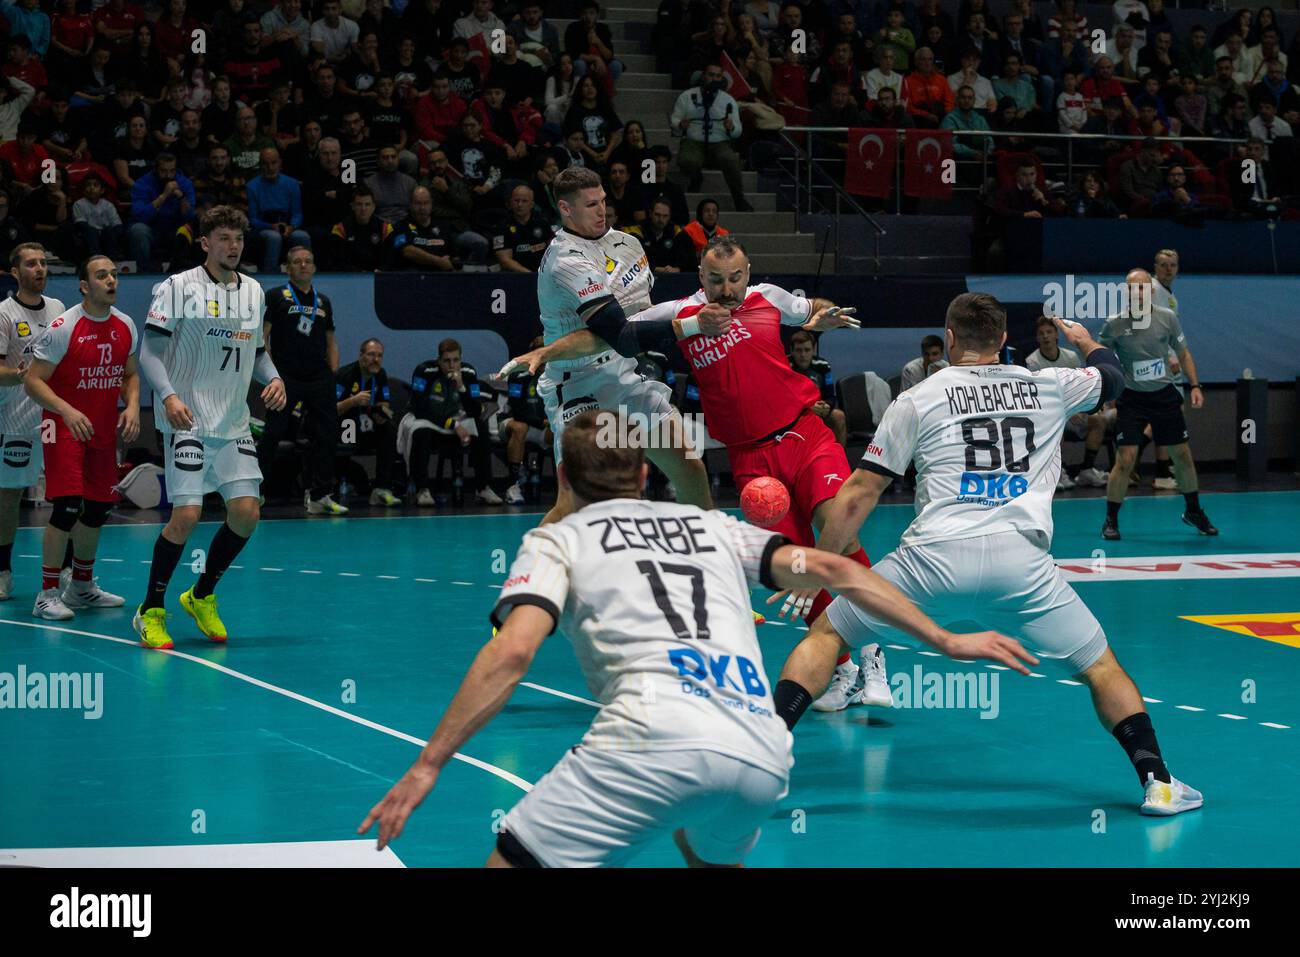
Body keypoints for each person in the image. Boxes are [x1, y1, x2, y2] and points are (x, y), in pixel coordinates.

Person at [359, 409, 1029, 865]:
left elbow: (511, 651)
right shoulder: (710, 526)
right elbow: (831, 565)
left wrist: (428, 764)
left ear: (562, 478)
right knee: (701, 842)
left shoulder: (557, 538)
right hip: (762, 748)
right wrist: (945, 638)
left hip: (645, 739)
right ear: (644, 475)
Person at [774, 293, 1204, 817]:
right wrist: (1089, 344)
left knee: (828, 635)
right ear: (1003, 341)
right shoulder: (1048, 385)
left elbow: (860, 492)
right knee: (1100, 667)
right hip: (1020, 566)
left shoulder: (918, 397)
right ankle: (1158, 783)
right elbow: (1112, 378)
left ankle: (759, 758)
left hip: (930, 562)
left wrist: (815, 568)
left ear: (949, 340)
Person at [501, 233, 878, 703]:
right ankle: (840, 665)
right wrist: (546, 352)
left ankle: (872, 652)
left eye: (736, 278)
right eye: (717, 280)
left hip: (802, 432)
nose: (728, 289)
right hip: (750, 457)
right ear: (702, 278)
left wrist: (825, 313)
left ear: (748, 273)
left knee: (836, 529)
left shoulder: (768, 298)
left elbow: (808, 309)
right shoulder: (680, 315)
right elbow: (606, 334)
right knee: (793, 566)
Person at [511, 165, 717, 524]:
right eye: (591, 205)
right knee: (573, 503)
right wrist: (693, 324)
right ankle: (534, 576)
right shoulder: (565, 260)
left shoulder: (628, 244)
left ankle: (717, 567)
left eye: (603, 201)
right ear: (566, 209)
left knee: (689, 468)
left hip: (621, 376)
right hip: (576, 384)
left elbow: (642, 316)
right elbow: (622, 336)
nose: (602, 210)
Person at [133, 206, 288, 650]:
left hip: (233, 420)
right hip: (187, 418)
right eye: (222, 238)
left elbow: (257, 352)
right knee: (186, 514)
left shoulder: (256, 292)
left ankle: (201, 595)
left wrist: (273, 377)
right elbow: (150, 352)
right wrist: (169, 396)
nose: (232, 245)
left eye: (238, 238)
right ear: (205, 243)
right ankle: (151, 610)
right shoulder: (177, 289)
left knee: (246, 512)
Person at [23, 255, 138, 620]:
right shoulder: (64, 326)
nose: (111, 281)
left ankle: (82, 587)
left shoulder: (125, 326)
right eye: (101, 275)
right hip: (64, 428)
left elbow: (131, 375)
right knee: (68, 505)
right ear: (85, 286)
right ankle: (46, 593)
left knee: (100, 508)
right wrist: (67, 411)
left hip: (103, 430)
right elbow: (33, 380)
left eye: (114, 274)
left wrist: (133, 407)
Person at [1098, 269, 1215, 541]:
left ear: (1150, 292)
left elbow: (1183, 352)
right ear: (1126, 292)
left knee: (1182, 455)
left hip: (1164, 395)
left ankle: (1194, 511)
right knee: (1125, 459)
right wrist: (1102, 392)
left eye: (1142, 287)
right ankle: (1111, 519)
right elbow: (1099, 355)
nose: (1137, 292)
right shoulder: (1115, 323)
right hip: (1132, 398)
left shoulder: (1167, 318)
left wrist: (1195, 385)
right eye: (1132, 288)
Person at [258, 247, 345, 514]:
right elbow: (263, 337)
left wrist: (331, 374)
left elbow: (331, 341)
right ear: (288, 267)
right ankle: (255, 492)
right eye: (297, 262)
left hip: (319, 378)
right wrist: (271, 374)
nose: (303, 265)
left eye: (308, 261)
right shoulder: (275, 296)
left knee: (327, 435)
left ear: (314, 267)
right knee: (273, 433)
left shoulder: (324, 302)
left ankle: (320, 494)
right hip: (286, 377)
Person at [0, 243, 65, 602]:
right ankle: (2, 572)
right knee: (8, 496)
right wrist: (24, 376)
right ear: (15, 272)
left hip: (54, 416)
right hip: (16, 419)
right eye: (30, 264)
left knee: (68, 492)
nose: (39, 269)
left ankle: (70, 573)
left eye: (43, 263)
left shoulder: (58, 309)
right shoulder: (4, 314)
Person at [404, 339, 501, 506]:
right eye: (447, 361)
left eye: (456, 360)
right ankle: (423, 490)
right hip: (428, 420)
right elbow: (419, 408)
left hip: (456, 417)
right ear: (438, 360)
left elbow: (476, 411)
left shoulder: (468, 373)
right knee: (421, 432)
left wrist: (462, 387)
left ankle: (483, 488)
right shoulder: (424, 371)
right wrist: (453, 425)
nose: (452, 365)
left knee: (481, 425)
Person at [1026, 315, 1115, 489]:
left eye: (1049, 332)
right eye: (1041, 333)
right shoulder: (1032, 361)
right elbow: (1041, 397)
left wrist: (1082, 409)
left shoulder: (1071, 357)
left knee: (1098, 420)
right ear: (1037, 338)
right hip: (1051, 414)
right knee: (1054, 425)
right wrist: (1067, 411)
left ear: (1056, 335)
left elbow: (1080, 386)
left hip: (1075, 411)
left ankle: (1087, 470)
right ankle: (1057, 473)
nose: (1045, 336)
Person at [671, 64, 753, 212]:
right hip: (694, 141)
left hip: (719, 142)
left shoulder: (728, 100)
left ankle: (739, 198)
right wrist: (680, 124)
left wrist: (731, 128)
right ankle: (696, 178)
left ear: (722, 79)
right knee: (686, 160)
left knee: (731, 160)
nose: (713, 78)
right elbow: (675, 120)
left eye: (717, 76)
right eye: (710, 75)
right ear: (703, 76)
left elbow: (738, 130)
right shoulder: (687, 96)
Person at [336, 337, 401, 506]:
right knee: (347, 424)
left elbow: (384, 404)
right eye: (372, 354)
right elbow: (332, 409)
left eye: (379, 355)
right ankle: (336, 487)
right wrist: (353, 401)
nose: (376, 359)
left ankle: (381, 489)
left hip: (368, 426)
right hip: (346, 427)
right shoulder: (345, 375)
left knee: (388, 428)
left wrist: (381, 413)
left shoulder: (381, 375)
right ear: (361, 356)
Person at [500, 336, 551, 505]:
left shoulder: (556, 375)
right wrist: (543, 422)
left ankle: (569, 487)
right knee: (520, 427)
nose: (541, 353)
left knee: (566, 429)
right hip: (512, 422)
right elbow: (517, 411)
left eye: (545, 348)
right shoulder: (518, 375)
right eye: (538, 349)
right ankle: (513, 484)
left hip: (543, 427)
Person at [247, 147, 311, 273]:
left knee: (302, 236)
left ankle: (306, 271)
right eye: (265, 164)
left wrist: (291, 227)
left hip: (287, 225)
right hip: (265, 227)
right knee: (274, 237)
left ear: (280, 163)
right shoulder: (252, 186)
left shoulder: (292, 184)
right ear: (260, 165)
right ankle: (269, 273)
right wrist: (271, 226)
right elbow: (253, 219)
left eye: (273, 163)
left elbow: (297, 213)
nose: (270, 168)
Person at [788, 328, 846, 446]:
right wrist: (807, 408)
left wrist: (826, 406)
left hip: (817, 411)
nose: (803, 355)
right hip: (792, 414)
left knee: (838, 416)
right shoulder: (784, 366)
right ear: (791, 351)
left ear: (813, 350)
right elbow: (781, 401)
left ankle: (840, 460)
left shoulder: (823, 366)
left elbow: (831, 396)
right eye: (799, 350)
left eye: (807, 350)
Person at [491, 185, 554, 273]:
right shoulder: (502, 226)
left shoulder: (542, 222)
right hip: (517, 276)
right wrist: (529, 275)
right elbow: (505, 260)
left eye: (524, 201)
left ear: (532, 204)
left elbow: (555, 249)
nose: (520, 205)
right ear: (510, 203)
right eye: (516, 201)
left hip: (544, 273)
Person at [626, 198, 697, 273]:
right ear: (650, 213)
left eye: (665, 216)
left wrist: (678, 269)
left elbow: (691, 263)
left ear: (669, 217)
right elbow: (630, 262)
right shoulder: (637, 232)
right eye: (657, 215)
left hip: (672, 278)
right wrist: (655, 269)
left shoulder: (677, 233)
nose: (661, 219)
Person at [329, 186, 391, 270]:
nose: (363, 208)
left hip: (377, 277)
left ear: (374, 207)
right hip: (351, 278)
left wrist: (380, 270)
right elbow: (338, 263)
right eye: (359, 204)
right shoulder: (340, 229)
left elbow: (389, 261)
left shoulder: (385, 228)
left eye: (367, 204)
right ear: (352, 206)